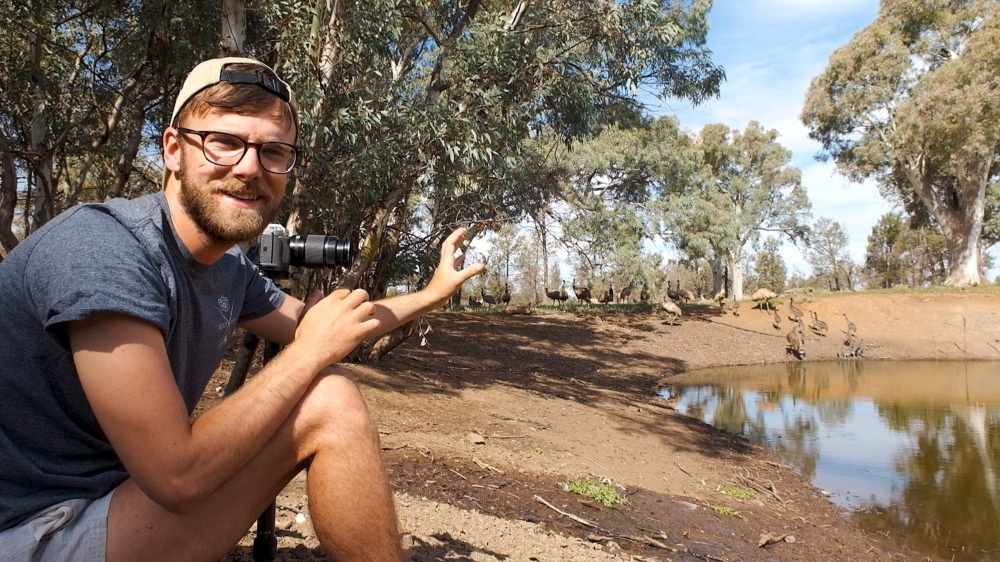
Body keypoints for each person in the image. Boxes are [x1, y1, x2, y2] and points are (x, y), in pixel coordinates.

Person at [0, 57, 484, 561]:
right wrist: (310, 352)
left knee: (330, 394)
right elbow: (176, 478)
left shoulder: (228, 269)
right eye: (224, 142)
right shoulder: (103, 249)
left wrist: (431, 294)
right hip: (34, 531)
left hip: (113, 501)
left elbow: (330, 327)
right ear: (173, 150)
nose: (250, 168)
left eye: (273, 151)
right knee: (330, 399)